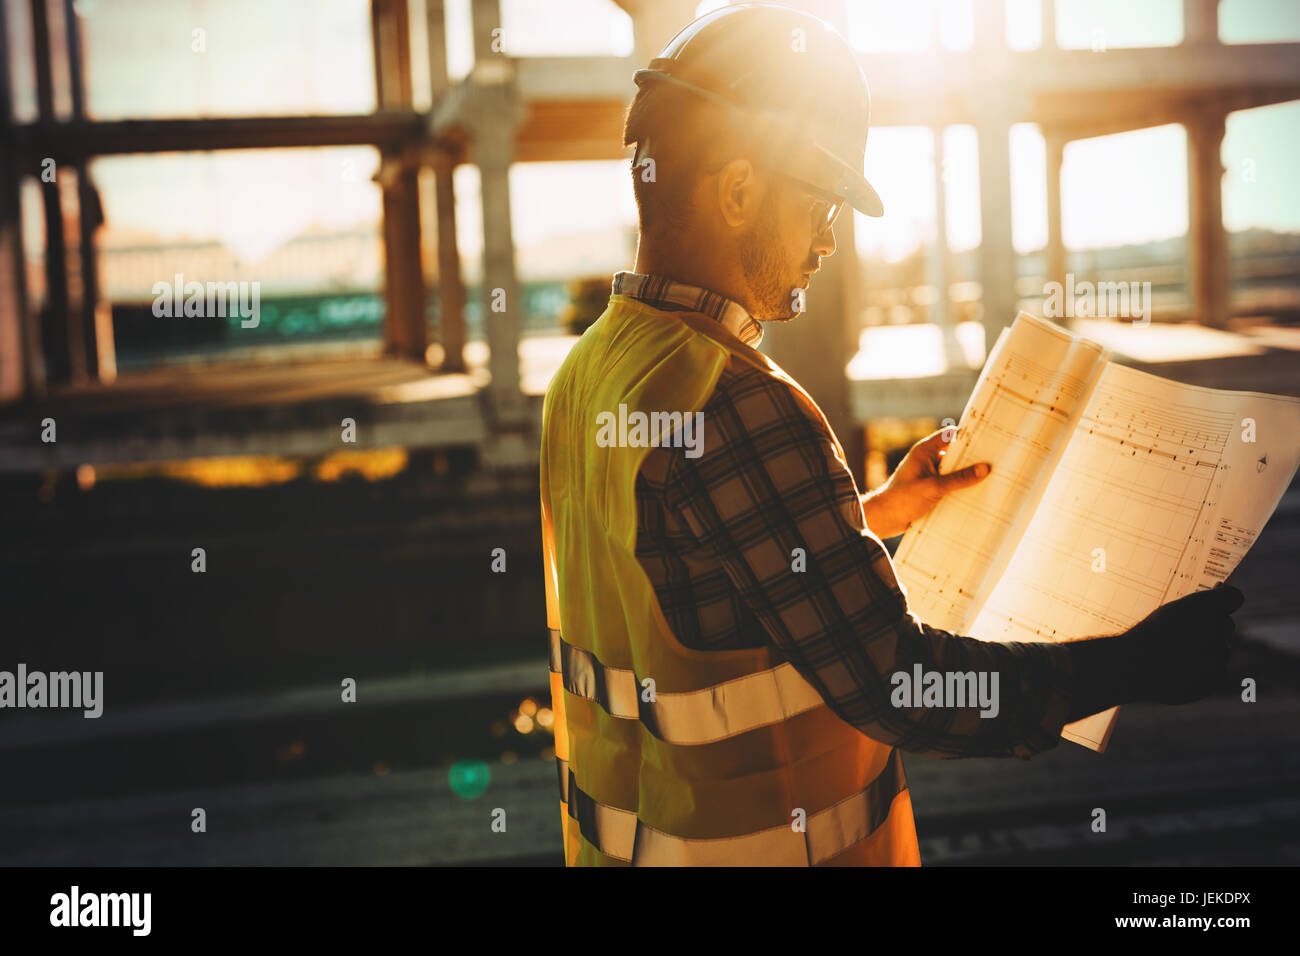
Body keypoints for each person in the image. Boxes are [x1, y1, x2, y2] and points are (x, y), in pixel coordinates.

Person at [538, 2, 1244, 866]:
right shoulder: (738, 404)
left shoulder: (590, 375)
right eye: (821, 200)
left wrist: (875, 512)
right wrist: (1133, 665)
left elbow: (688, 576)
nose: (829, 240)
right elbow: (903, 685)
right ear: (738, 190)